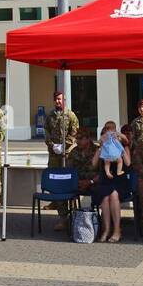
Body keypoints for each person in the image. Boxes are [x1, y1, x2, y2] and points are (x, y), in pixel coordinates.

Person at [91, 121, 131, 242]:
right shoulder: (103, 147)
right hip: (105, 181)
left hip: (119, 181)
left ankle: (117, 230)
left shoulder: (122, 146)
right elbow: (93, 164)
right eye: (107, 129)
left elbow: (128, 163)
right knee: (105, 197)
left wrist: (119, 145)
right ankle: (107, 229)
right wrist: (101, 147)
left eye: (111, 129)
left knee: (113, 195)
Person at [44, 90, 79, 230]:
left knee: (65, 183)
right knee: (54, 181)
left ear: (64, 100)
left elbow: (74, 132)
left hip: (66, 155)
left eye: (60, 99)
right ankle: (60, 213)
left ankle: (69, 215)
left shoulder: (70, 115)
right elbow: (46, 131)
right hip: (54, 155)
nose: (58, 101)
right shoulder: (50, 116)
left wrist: (65, 145)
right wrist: (52, 146)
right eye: (56, 99)